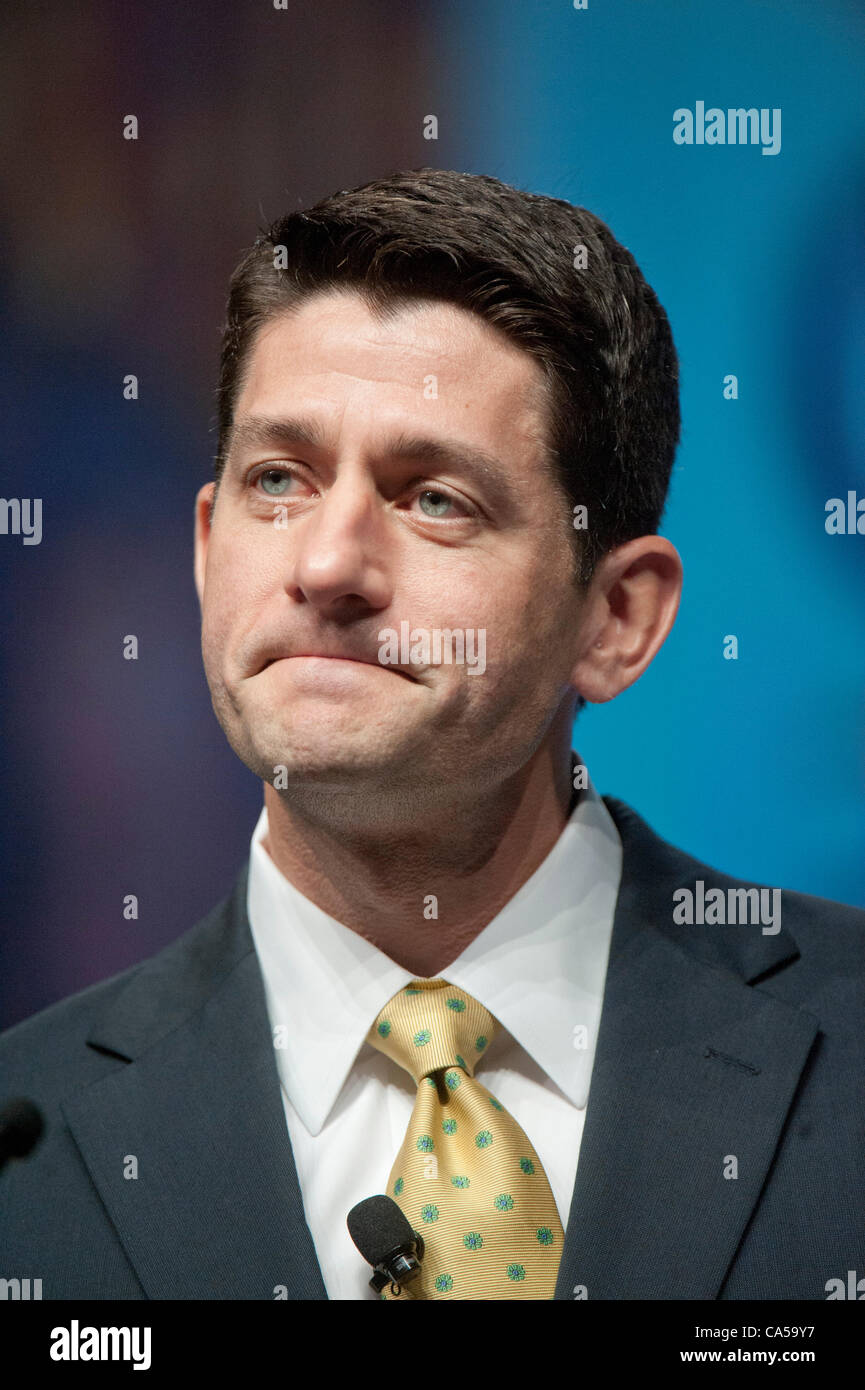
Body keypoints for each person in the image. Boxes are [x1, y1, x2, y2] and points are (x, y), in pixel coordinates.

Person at [1, 169, 862, 1301]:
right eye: (278, 480)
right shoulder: (30, 1142)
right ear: (209, 549)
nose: (326, 566)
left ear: (616, 619)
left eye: (434, 499)